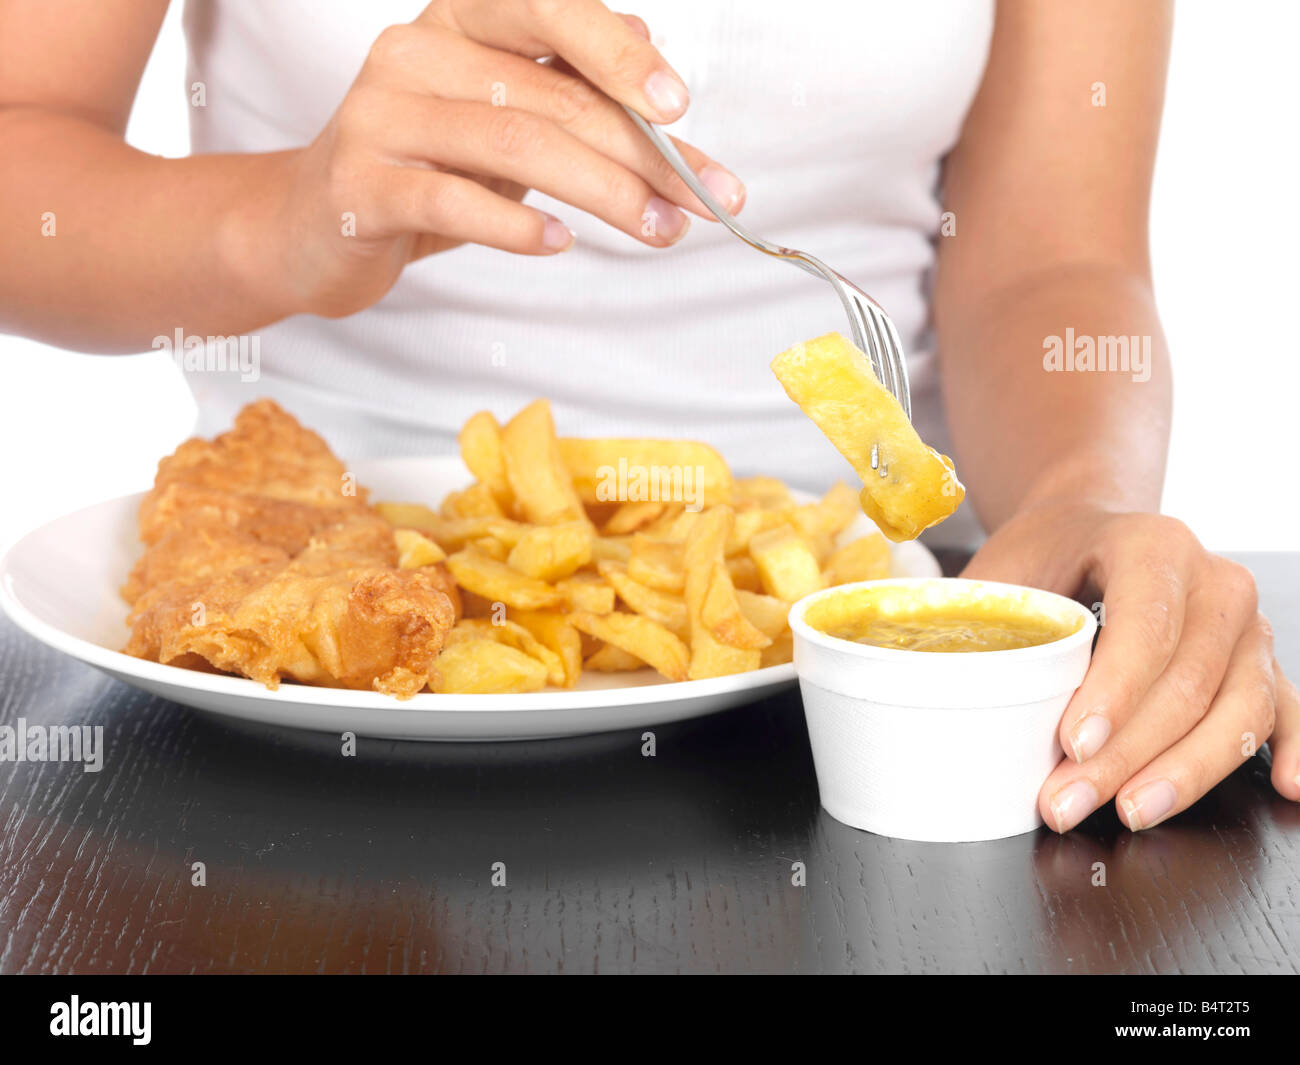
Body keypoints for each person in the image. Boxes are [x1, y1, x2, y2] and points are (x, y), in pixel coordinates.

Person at [0, 0, 1294, 832]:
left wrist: (1082, 500)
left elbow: (1050, 260)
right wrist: (283, 218)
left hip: (868, 683)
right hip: (284, 708)